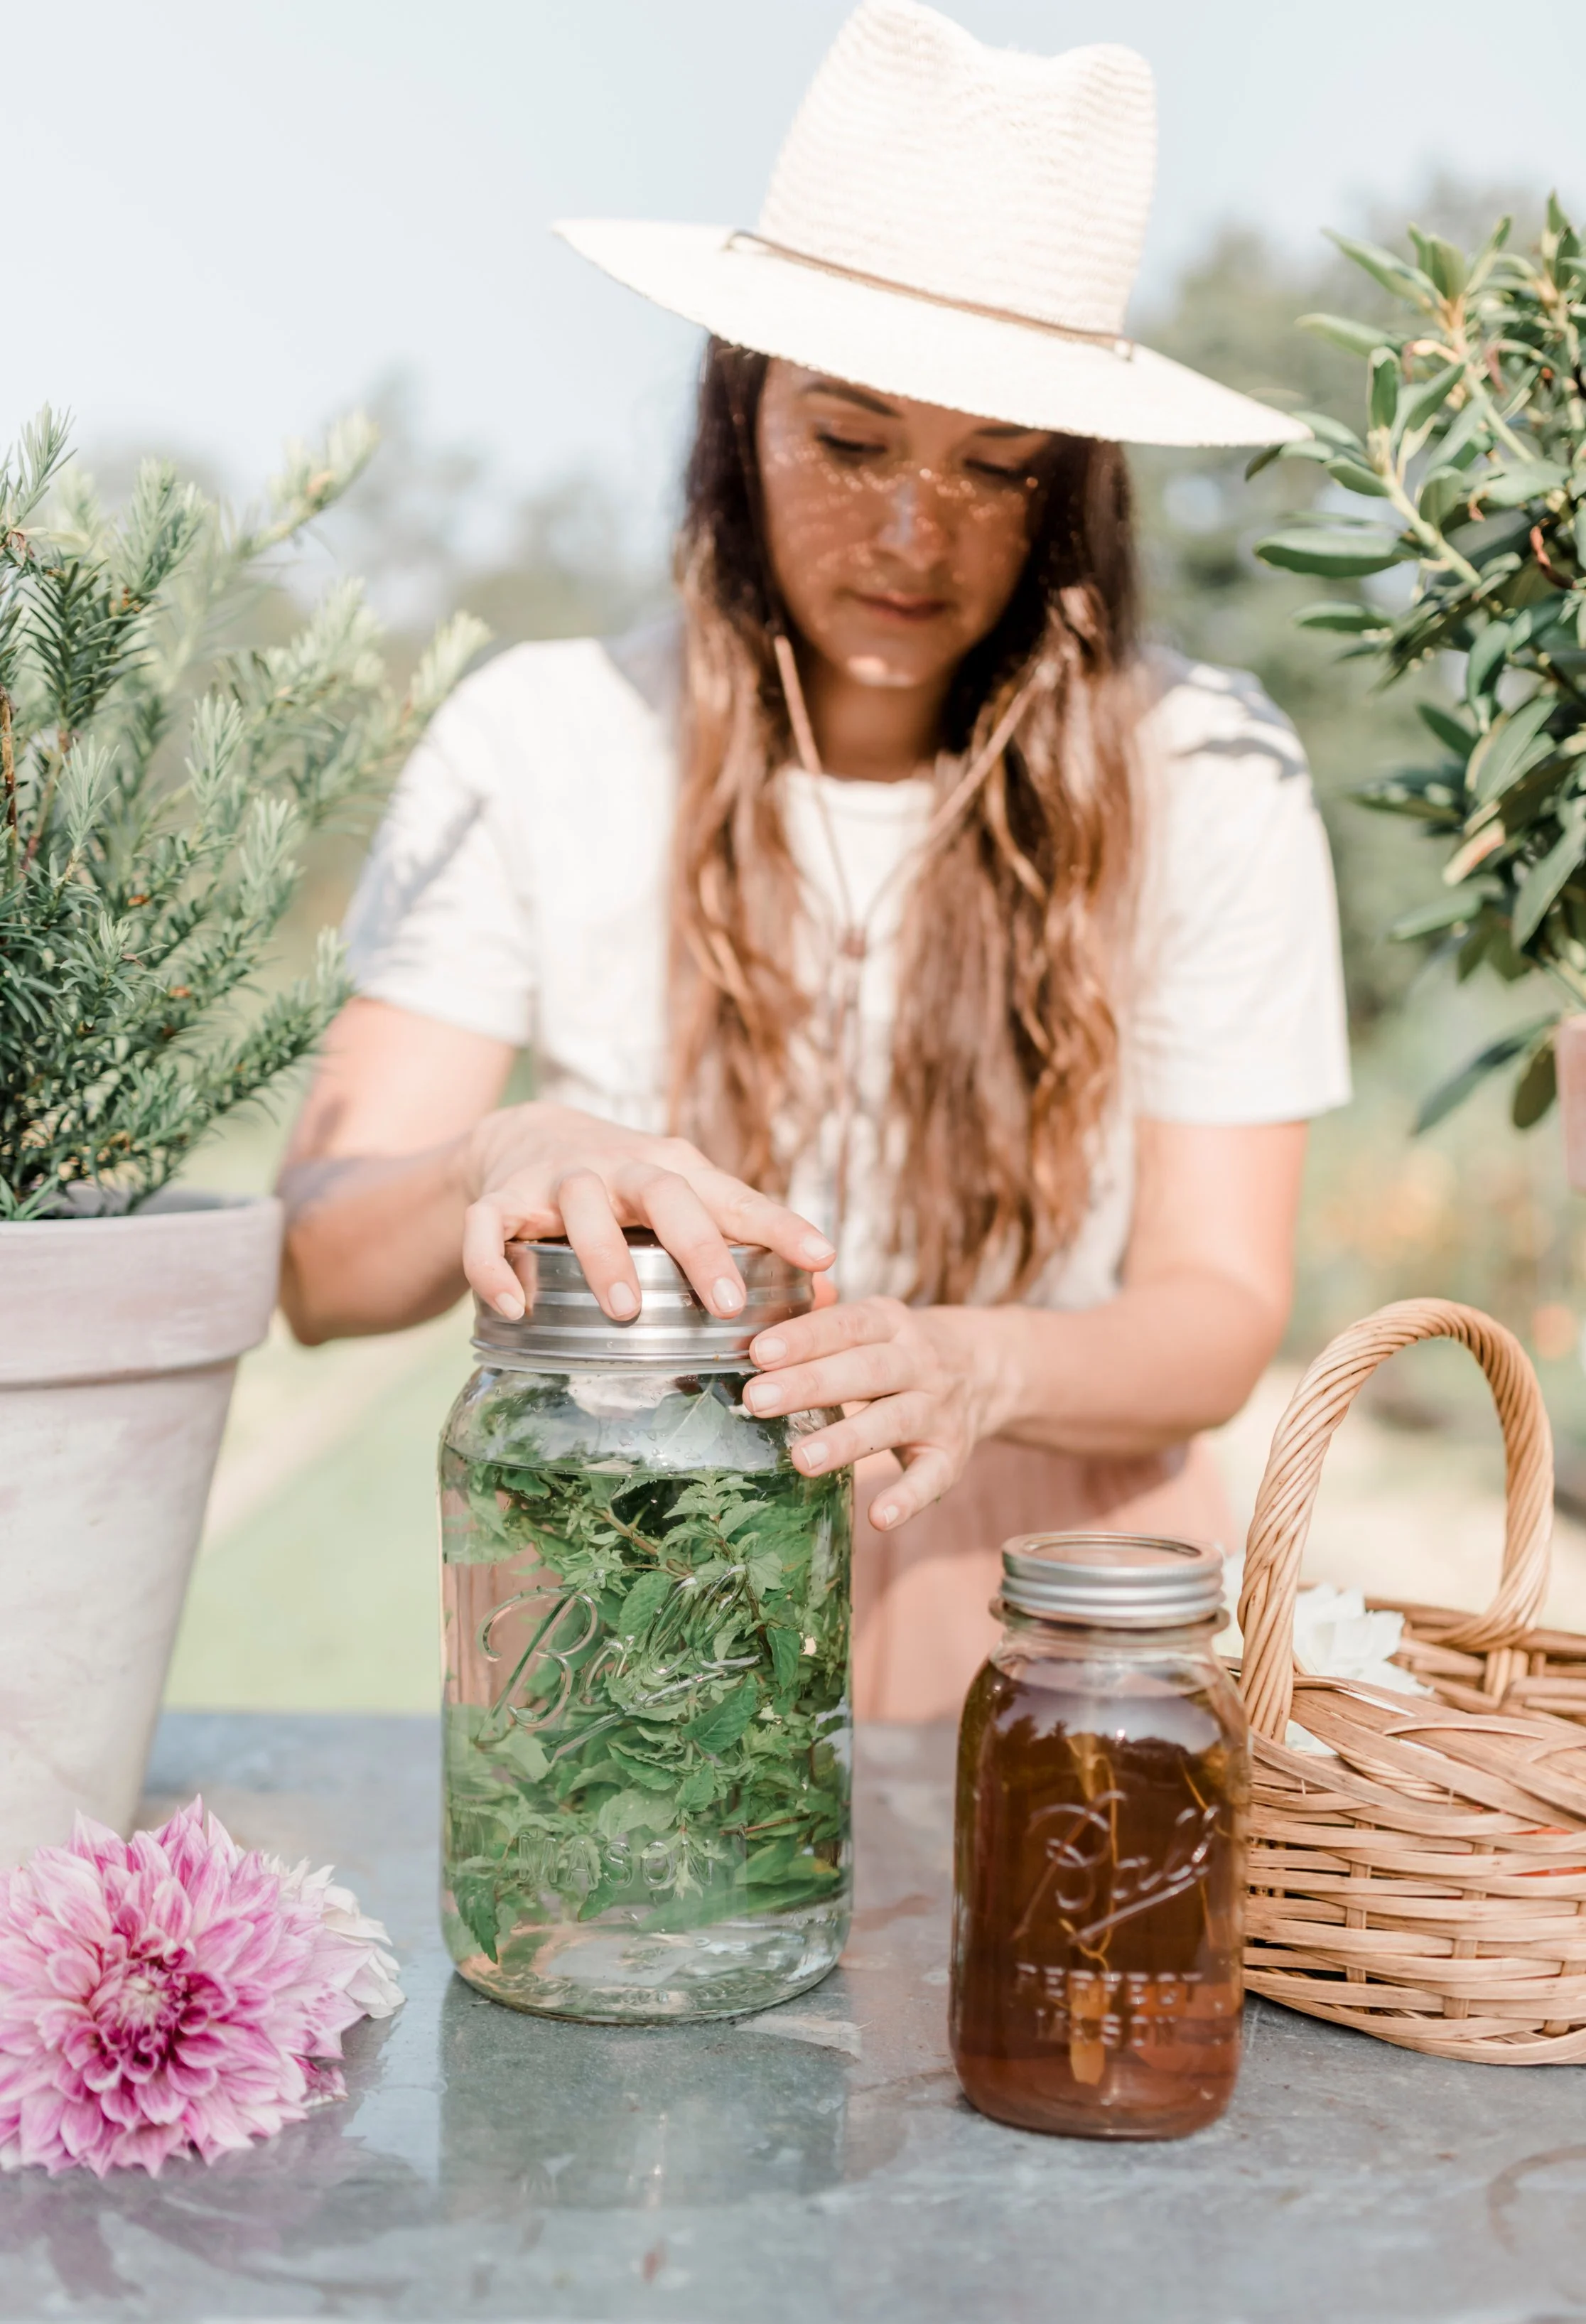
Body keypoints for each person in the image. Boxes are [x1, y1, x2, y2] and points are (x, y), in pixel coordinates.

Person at [277, 0, 1349, 1720]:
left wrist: (971, 1366)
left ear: (1073, 492)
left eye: (996, 469)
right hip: (643, 1630)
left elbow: (1219, 1312)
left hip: (1066, 1627)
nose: (914, 536)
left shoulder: (1206, 770)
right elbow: (320, 1268)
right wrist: (509, 1148)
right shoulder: (543, 739)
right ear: (735, 409)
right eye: (850, 442)